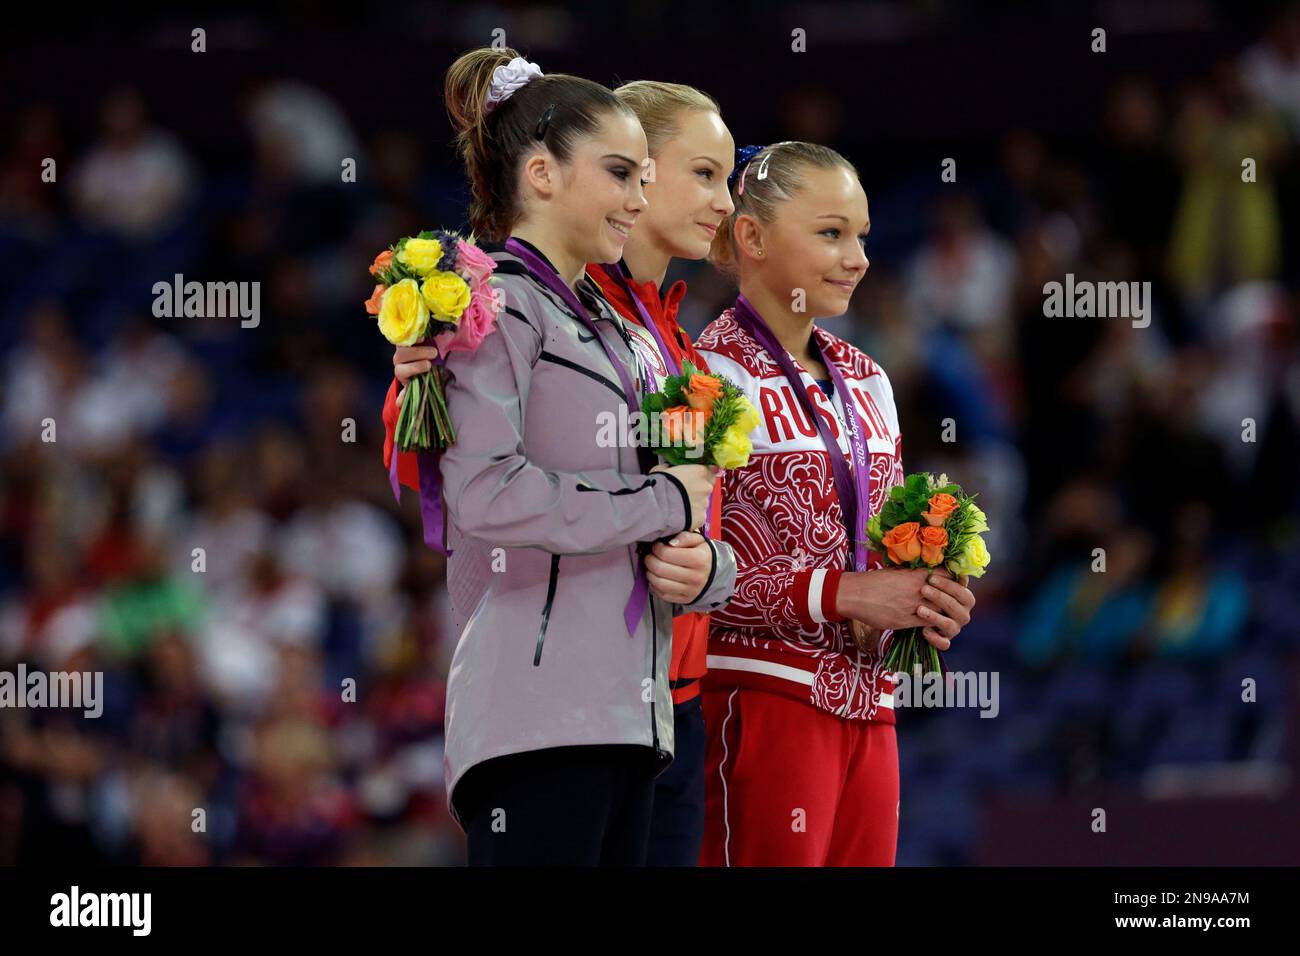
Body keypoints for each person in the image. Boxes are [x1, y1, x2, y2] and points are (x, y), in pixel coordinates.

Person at [380, 48, 735, 866]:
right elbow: (483, 492)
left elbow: (680, 513)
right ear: (541, 173)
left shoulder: (627, 338)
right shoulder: (491, 305)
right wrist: (667, 504)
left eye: (645, 178)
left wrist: (708, 565)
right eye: (622, 174)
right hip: (539, 714)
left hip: (635, 715)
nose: (638, 199)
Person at [694, 141, 976, 866]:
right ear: (751, 237)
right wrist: (848, 594)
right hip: (762, 699)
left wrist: (928, 597)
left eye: (862, 236)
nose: (858, 257)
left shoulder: (868, 379)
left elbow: (878, 548)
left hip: (871, 708)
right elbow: (681, 574)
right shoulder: (702, 377)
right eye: (830, 233)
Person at [579, 79, 735, 866]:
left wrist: (712, 568)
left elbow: (689, 511)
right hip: (595, 699)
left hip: (678, 697)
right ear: (637, 168)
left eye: (729, 180)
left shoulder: (673, 329)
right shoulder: (564, 311)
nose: (725, 202)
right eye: (704, 174)